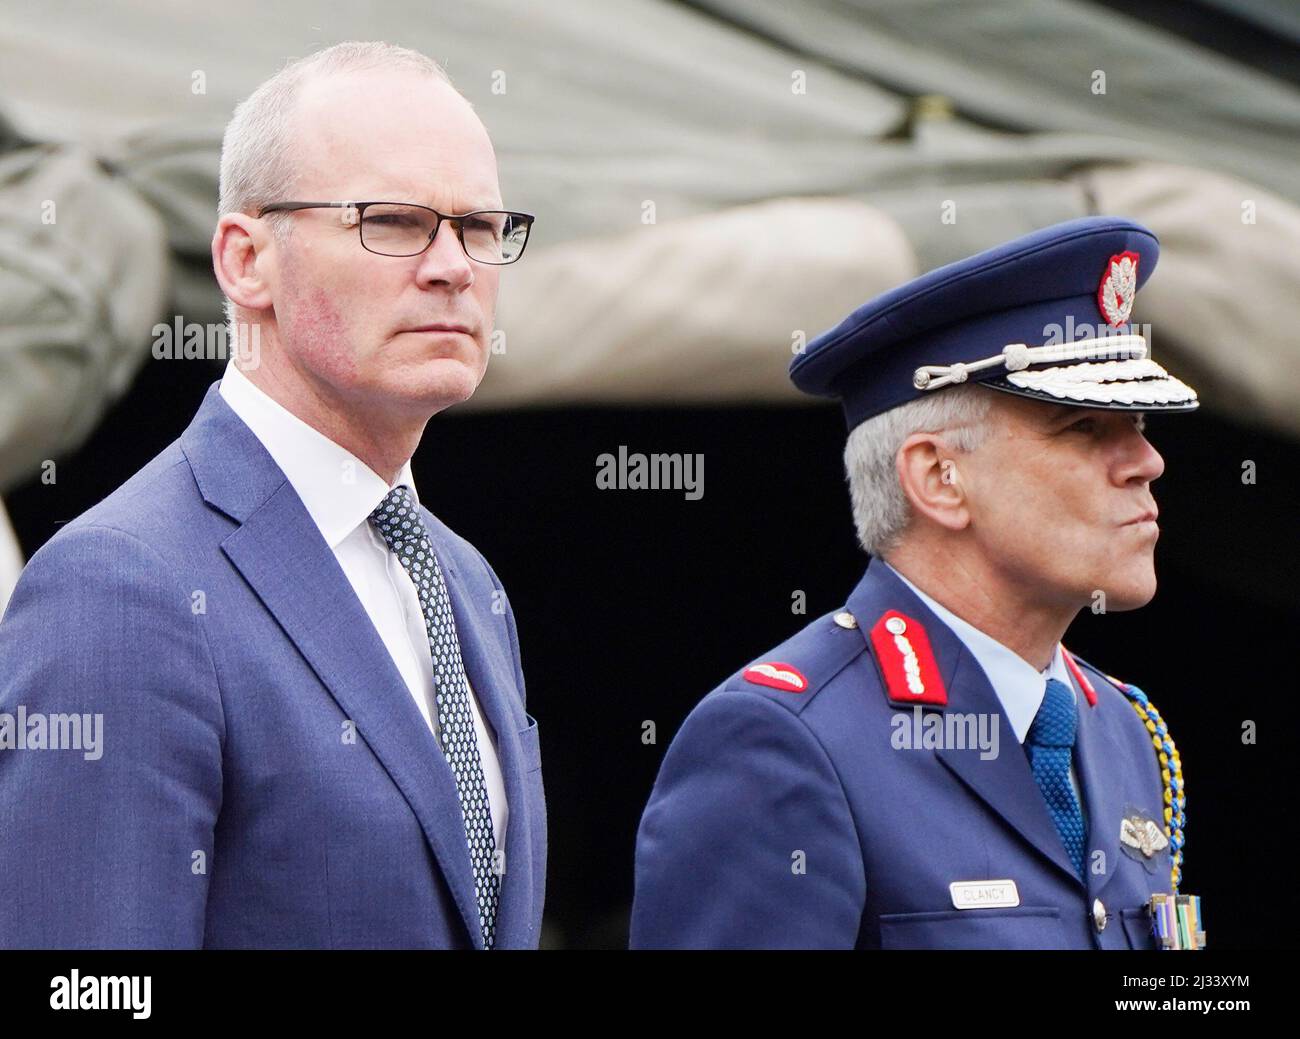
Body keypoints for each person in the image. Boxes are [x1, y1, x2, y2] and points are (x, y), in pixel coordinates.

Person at [0, 41, 544, 949]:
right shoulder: (121, 585)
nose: (454, 265)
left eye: (480, 227)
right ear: (246, 259)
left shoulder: (467, 580)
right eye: (396, 221)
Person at [631, 217, 1199, 949]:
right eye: (1083, 428)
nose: (1145, 461)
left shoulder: (1123, 728)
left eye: (1140, 421)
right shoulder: (786, 742)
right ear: (938, 478)